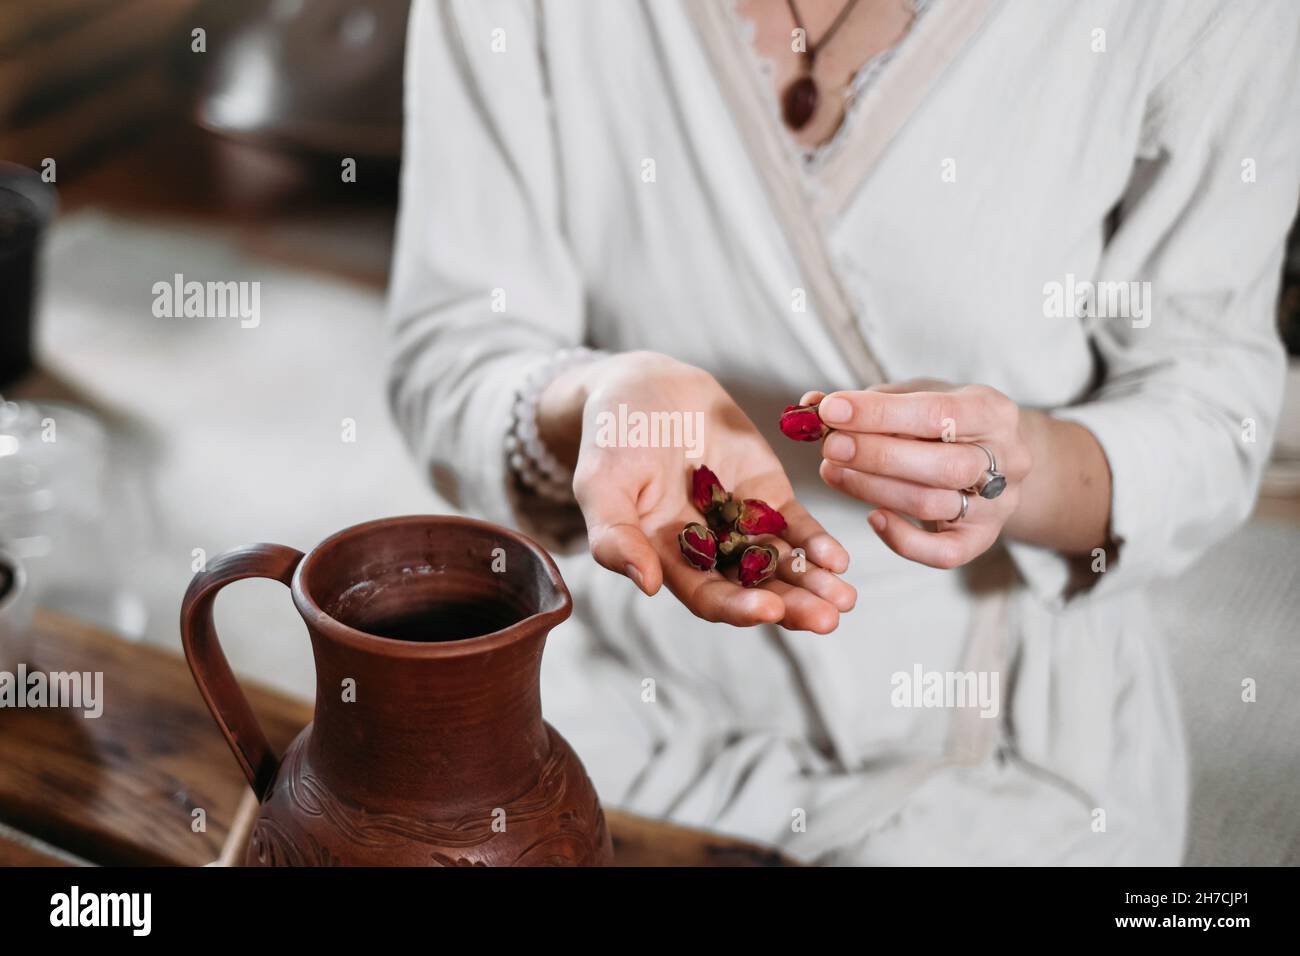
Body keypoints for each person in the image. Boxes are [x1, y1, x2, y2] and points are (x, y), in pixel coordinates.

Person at [387, 0, 1300, 864]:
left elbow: (1214, 405)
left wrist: (1022, 469)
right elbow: (454, 349)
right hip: (614, 693)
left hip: (1012, 737)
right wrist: (590, 402)